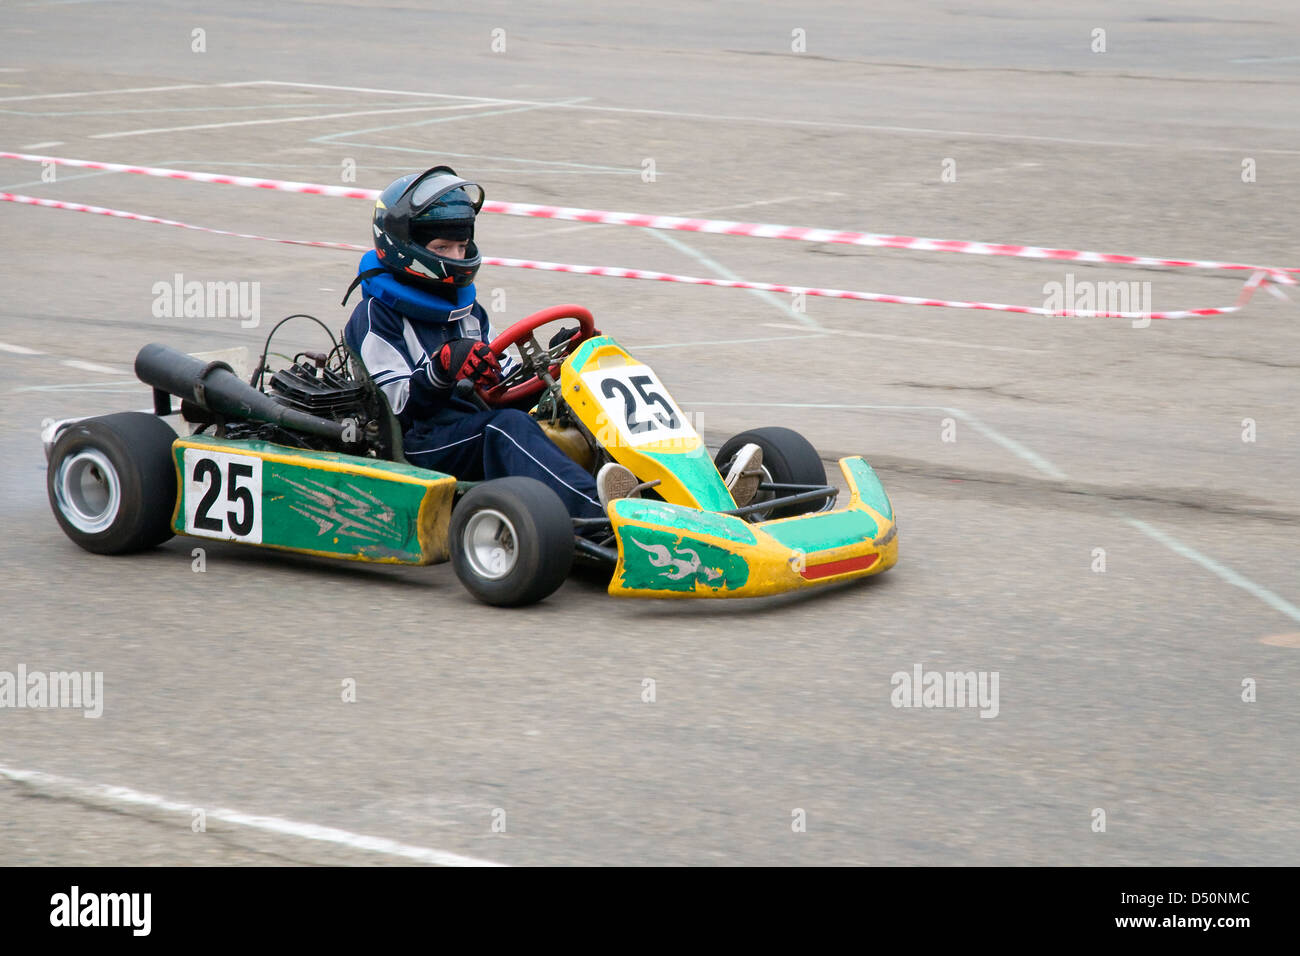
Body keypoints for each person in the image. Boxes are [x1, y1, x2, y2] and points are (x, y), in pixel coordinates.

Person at [342, 165, 763, 518]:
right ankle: (608, 513)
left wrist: (556, 364)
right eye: (443, 246)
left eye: (461, 244)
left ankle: (698, 491)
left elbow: (494, 380)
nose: (456, 254)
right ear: (403, 247)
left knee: (579, 402)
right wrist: (442, 368)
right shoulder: (376, 316)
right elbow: (395, 405)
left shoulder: (465, 310)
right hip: (422, 443)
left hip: (470, 420)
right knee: (506, 429)